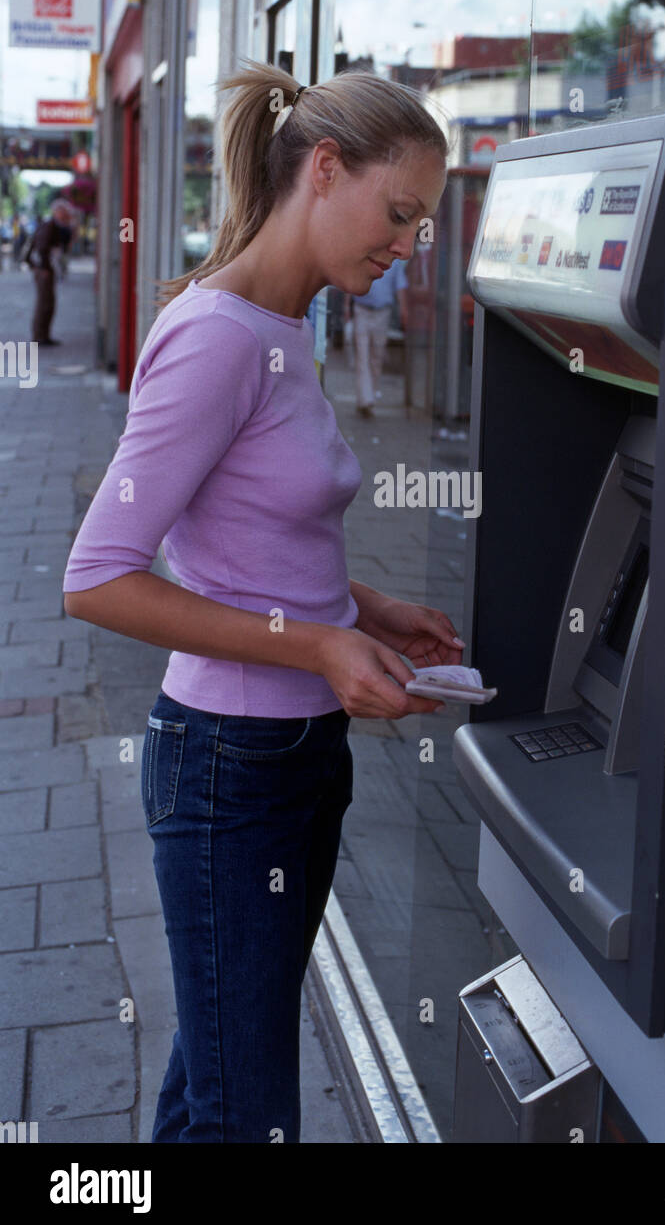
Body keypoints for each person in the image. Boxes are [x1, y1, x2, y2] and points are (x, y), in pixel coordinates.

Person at [62, 58, 461, 1144]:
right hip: (229, 768)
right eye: (396, 211)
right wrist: (322, 645)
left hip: (288, 758)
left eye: (420, 223)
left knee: (216, 1078)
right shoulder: (216, 335)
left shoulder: (283, 328)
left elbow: (243, 535)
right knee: (247, 1113)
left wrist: (361, 609)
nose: (405, 242)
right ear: (323, 168)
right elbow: (98, 578)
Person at [344, 256, 409, 417]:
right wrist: (346, 306)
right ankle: (365, 399)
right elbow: (352, 279)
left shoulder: (395, 261)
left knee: (376, 357)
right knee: (362, 354)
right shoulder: (366, 252)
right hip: (362, 310)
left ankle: (369, 395)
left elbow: (400, 285)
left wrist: (404, 309)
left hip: (383, 312)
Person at [26, 199, 75, 345]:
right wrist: (45, 268)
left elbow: (65, 245)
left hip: (45, 269)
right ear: (57, 212)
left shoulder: (56, 226)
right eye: (65, 213)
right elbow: (41, 248)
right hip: (43, 270)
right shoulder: (49, 226)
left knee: (48, 303)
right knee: (44, 303)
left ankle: (43, 335)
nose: (67, 216)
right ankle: (39, 336)